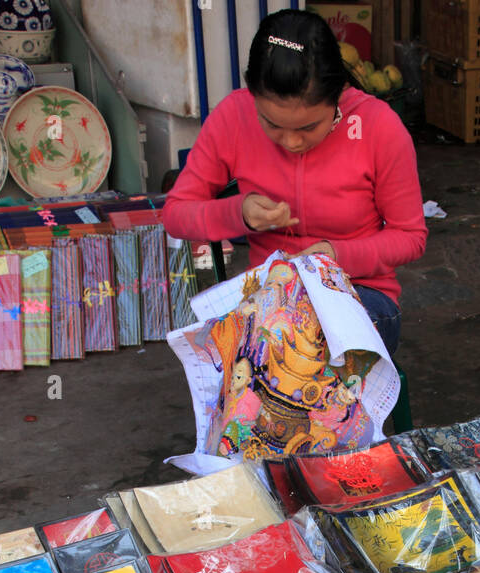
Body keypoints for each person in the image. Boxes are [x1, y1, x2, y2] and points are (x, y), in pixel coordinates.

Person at [162, 9, 427, 356]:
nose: (291, 142)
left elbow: (411, 237)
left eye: (307, 128)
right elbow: (176, 214)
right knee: (236, 350)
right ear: (251, 95)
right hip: (269, 294)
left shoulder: (379, 127)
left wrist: (337, 255)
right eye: (271, 124)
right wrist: (237, 213)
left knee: (287, 349)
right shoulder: (232, 116)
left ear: (338, 95)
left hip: (359, 294)